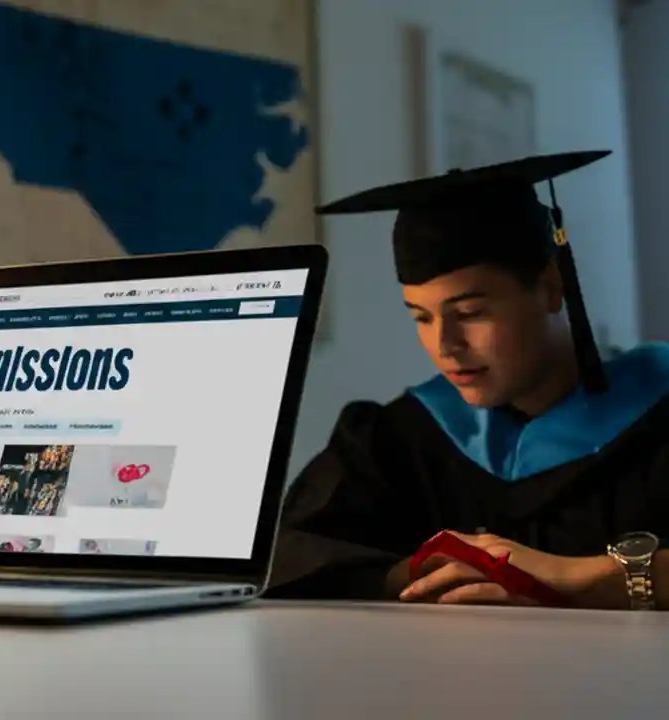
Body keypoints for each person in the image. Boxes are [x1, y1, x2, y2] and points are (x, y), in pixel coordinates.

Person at [267, 151, 669, 610]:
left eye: (470, 313)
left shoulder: (657, 407)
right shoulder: (401, 437)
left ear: (551, 288)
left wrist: (572, 576)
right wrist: (422, 576)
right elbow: (285, 549)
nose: (445, 344)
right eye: (421, 317)